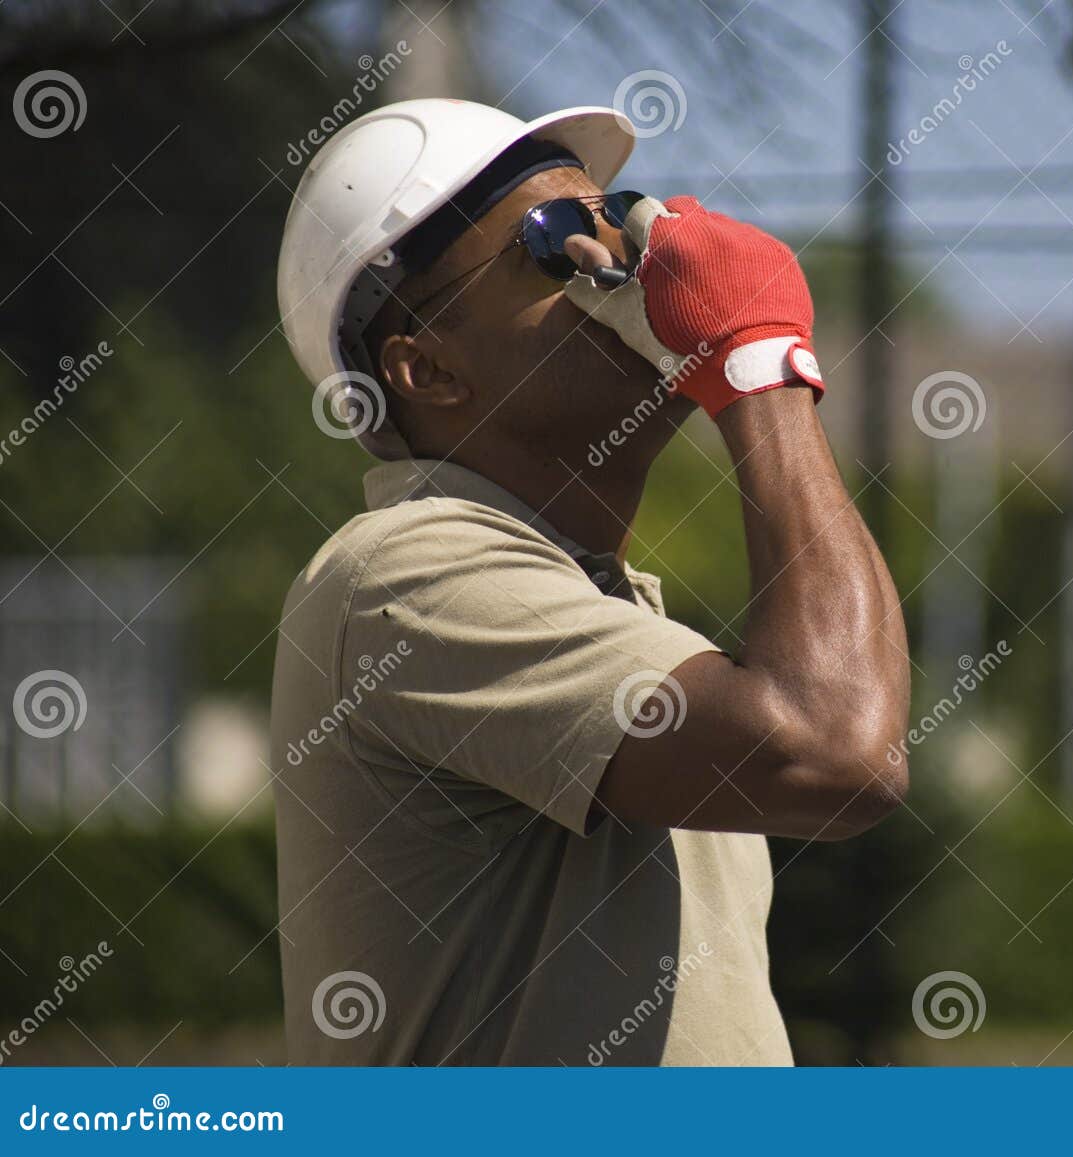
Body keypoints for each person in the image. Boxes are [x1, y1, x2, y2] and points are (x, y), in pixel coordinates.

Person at [270, 98, 910, 1065]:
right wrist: (759, 364)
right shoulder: (405, 573)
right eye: (556, 238)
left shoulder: (614, 607)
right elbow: (837, 748)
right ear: (427, 367)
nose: (619, 260)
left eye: (616, 214)